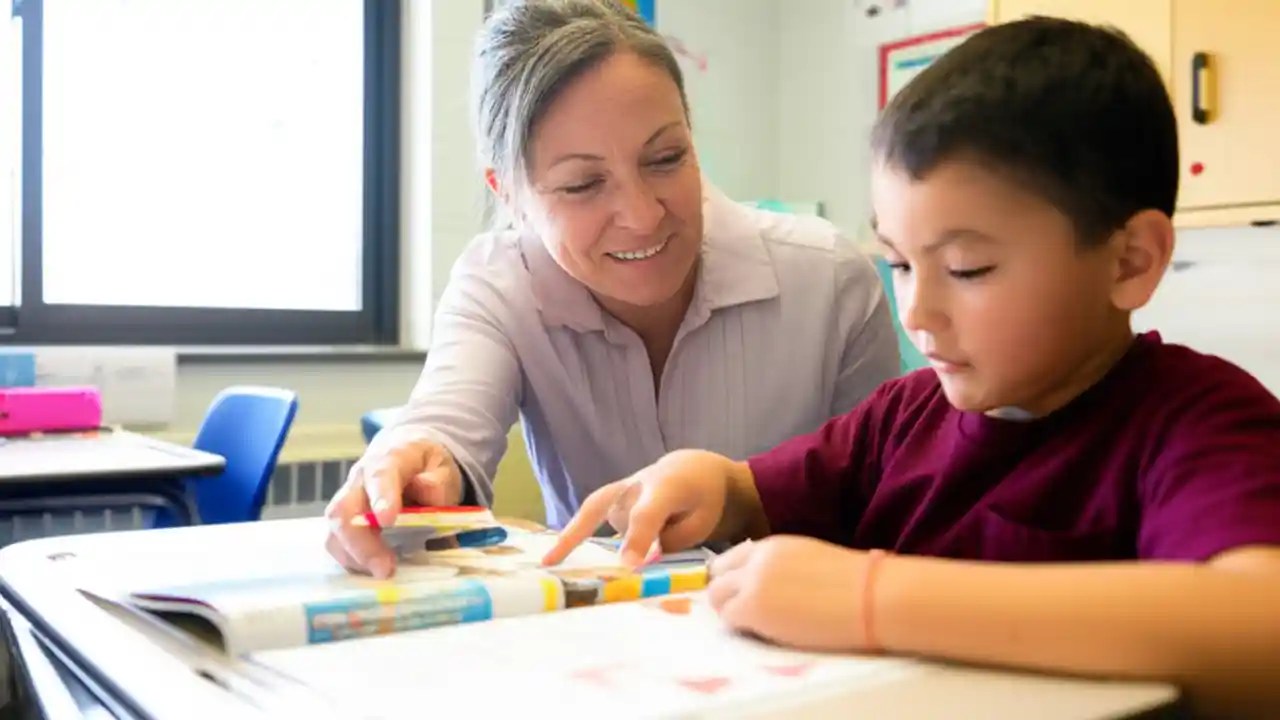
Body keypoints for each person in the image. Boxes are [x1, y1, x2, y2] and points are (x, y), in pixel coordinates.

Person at [544, 17, 1280, 718]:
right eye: (898, 262)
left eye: (968, 268)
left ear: (1129, 261)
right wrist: (702, 479)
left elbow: (1260, 629)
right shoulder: (905, 416)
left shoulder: (1198, 420)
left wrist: (872, 597)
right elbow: (747, 491)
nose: (917, 312)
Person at [324, 0, 900, 579]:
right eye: (582, 184)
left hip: (803, 635)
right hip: (596, 638)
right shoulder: (499, 284)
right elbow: (443, 421)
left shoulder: (829, 280)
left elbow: (889, 504)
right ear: (509, 193)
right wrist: (410, 466)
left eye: (666, 158)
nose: (642, 215)